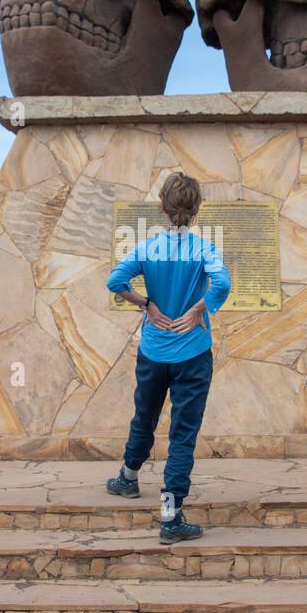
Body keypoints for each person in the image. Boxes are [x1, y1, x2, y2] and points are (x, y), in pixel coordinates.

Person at [104, 172, 231, 543]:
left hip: (153, 350)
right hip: (193, 351)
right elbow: (222, 283)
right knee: (182, 433)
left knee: (145, 415)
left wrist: (146, 304)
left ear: (163, 207)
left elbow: (115, 281)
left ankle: (127, 478)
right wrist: (199, 310)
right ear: (196, 210)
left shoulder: (146, 248)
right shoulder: (204, 248)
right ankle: (170, 517)